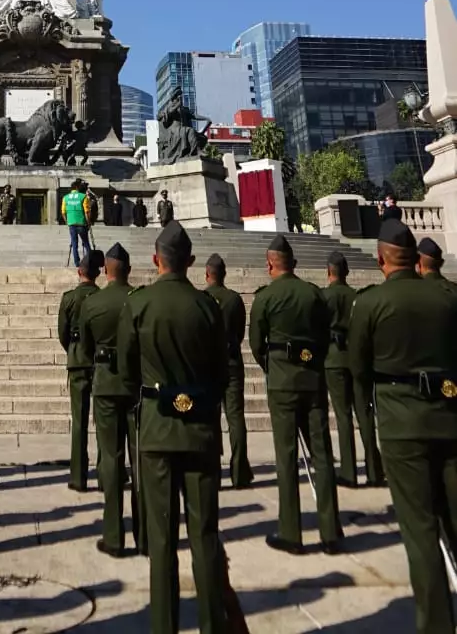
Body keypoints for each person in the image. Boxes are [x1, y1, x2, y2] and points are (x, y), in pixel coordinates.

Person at [118, 221, 229, 634]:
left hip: (157, 430)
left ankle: (164, 625)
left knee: (161, 538)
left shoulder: (139, 304)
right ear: (191, 263)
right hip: (200, 431)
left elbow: (128, 371)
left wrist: (149, 402)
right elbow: (221, 373)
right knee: (205, 536)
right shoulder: (208, 307)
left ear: (154, 260)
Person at [350, 218, 457, 634]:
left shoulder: (372, 304)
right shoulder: (448, 300)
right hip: (450, 417)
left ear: (379, 259)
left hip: (400, 426)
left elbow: (358, 368)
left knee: (421, 530)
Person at [249, 234, 340, 555]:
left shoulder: (265, 297)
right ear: (294, 263)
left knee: (286, 457)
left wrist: (274, 368)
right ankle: (331, 531)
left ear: (270, 264)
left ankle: (291, 531)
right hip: (313, 379)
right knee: (322, 455)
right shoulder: (314, 295)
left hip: (282, 382)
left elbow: (257, 345)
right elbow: (325, 335)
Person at [79, 242, 141, 557]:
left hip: (104, 385)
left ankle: (114, 535)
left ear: (105, 269)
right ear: (128, 269)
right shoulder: (140, 300)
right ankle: (145, 534)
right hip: (137, 387)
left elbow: (85, 349)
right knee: (141, 460)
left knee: (112, 459)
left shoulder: (93, 302)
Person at [321, 251, 384, 489]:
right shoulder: (358, 297)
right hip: (358, 360)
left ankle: (348, 471)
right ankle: (374, 469)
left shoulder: (324, 297)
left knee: (343, 415)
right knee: (365, 413)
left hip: (333, 360)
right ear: (346, 272)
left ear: (329, 272)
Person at [204, 252, 254, 489]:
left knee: (210, 419)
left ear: (207, 275)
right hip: (231, 362)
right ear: (224, 274)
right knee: (236, 418)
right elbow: (240, 333)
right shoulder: (234, 299)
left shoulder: (201, 299)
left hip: (209, 365)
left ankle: (212, 470)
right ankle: (240, 471)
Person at [57, 249, 101, 491]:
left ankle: (78, 475)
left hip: (77, 360)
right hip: (100, 363)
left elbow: (63, 333)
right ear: (97, 274)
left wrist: (73, 350)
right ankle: (107, 471)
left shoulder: (69, 298)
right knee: (104, 421)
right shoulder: (101, 297)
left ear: (79, 272)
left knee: (79, 421)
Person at [61, 179, 90, 267]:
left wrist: (67, 222)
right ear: (77, 187)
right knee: (86, 243)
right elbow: (87, 211)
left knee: (74, 244)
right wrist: (88, 222)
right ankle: (89, 260)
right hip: (81, 223)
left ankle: (77, 262)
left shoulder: (65, 197)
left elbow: (63, 212)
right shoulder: (83, 196)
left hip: (71, 223)